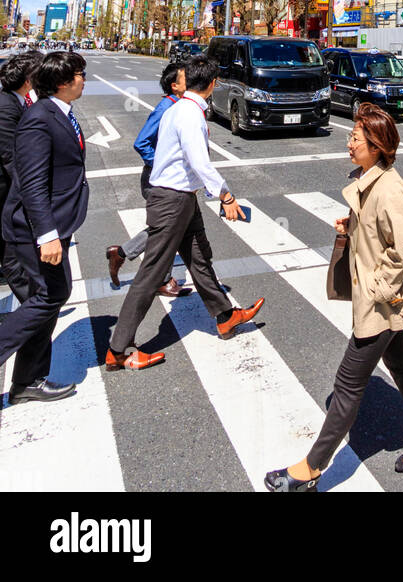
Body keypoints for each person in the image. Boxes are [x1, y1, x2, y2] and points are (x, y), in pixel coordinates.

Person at [265, 105, 403, 491]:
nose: (349, 144)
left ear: (377, 147)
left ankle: (311, 468)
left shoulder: (389, 189)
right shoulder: (370, 180)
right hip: (388, 298)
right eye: (351, 137)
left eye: (356, 139)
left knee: (347, 382)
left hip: (386, 300)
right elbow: (384, 236)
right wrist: (354, 227)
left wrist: (377, 289)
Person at [106, 55, 264, 370]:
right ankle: (119, 349)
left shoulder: (177, 108)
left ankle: (225, 316)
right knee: (151, 274)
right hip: (172, 200)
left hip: (181, 197)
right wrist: (226, 195)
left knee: (199, 258)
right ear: (212, 84)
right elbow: (199, 162)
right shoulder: (190, 114)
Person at [0, 51, 90, 404]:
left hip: (55, 223)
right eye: (80, 74)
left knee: (51, 297)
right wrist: (47, 235)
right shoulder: (40, 118)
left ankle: (28, 381)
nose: (84, 79)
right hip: (35, 229)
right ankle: (23, 375)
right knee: (48, 296)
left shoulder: (57, 112)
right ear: (63, 82)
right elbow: (32, 184)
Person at [105, 62, 189, 296]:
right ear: (175, 86)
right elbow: (141, 142)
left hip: (170, 178)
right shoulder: (166, 108)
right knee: (168, 228)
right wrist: (161, 164)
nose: (190, 81)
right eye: (186, 79)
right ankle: (156, 276)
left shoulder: (180, 106)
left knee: (170, 227)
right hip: (157, 178)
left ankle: (122, 255)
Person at [0, 51, 42, 303]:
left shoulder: (18, 101)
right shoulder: (6, 107)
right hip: (5, 192)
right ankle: (33, 307)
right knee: (11, 255)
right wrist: (31, 197)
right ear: (29, 80)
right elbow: (10, 158)